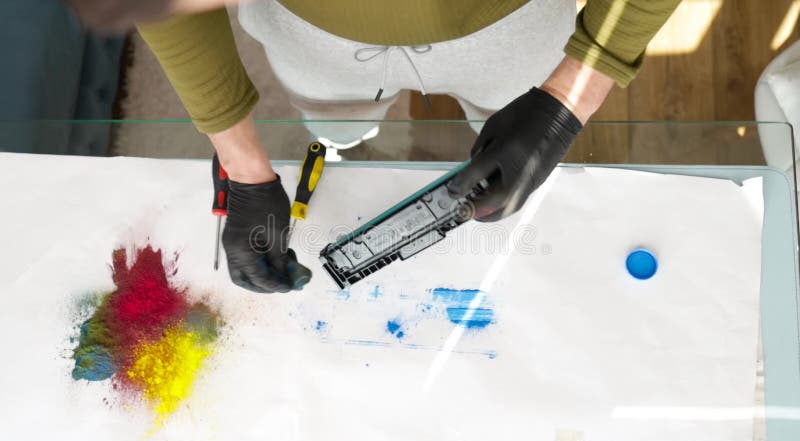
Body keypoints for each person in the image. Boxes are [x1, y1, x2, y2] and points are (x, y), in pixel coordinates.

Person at [64, 0, 681, 294]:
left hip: (509, 30)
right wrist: (242, 165)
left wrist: (565, 103)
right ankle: (348, 137)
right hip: (314, 47)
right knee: (335, 121)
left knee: (499, 122)